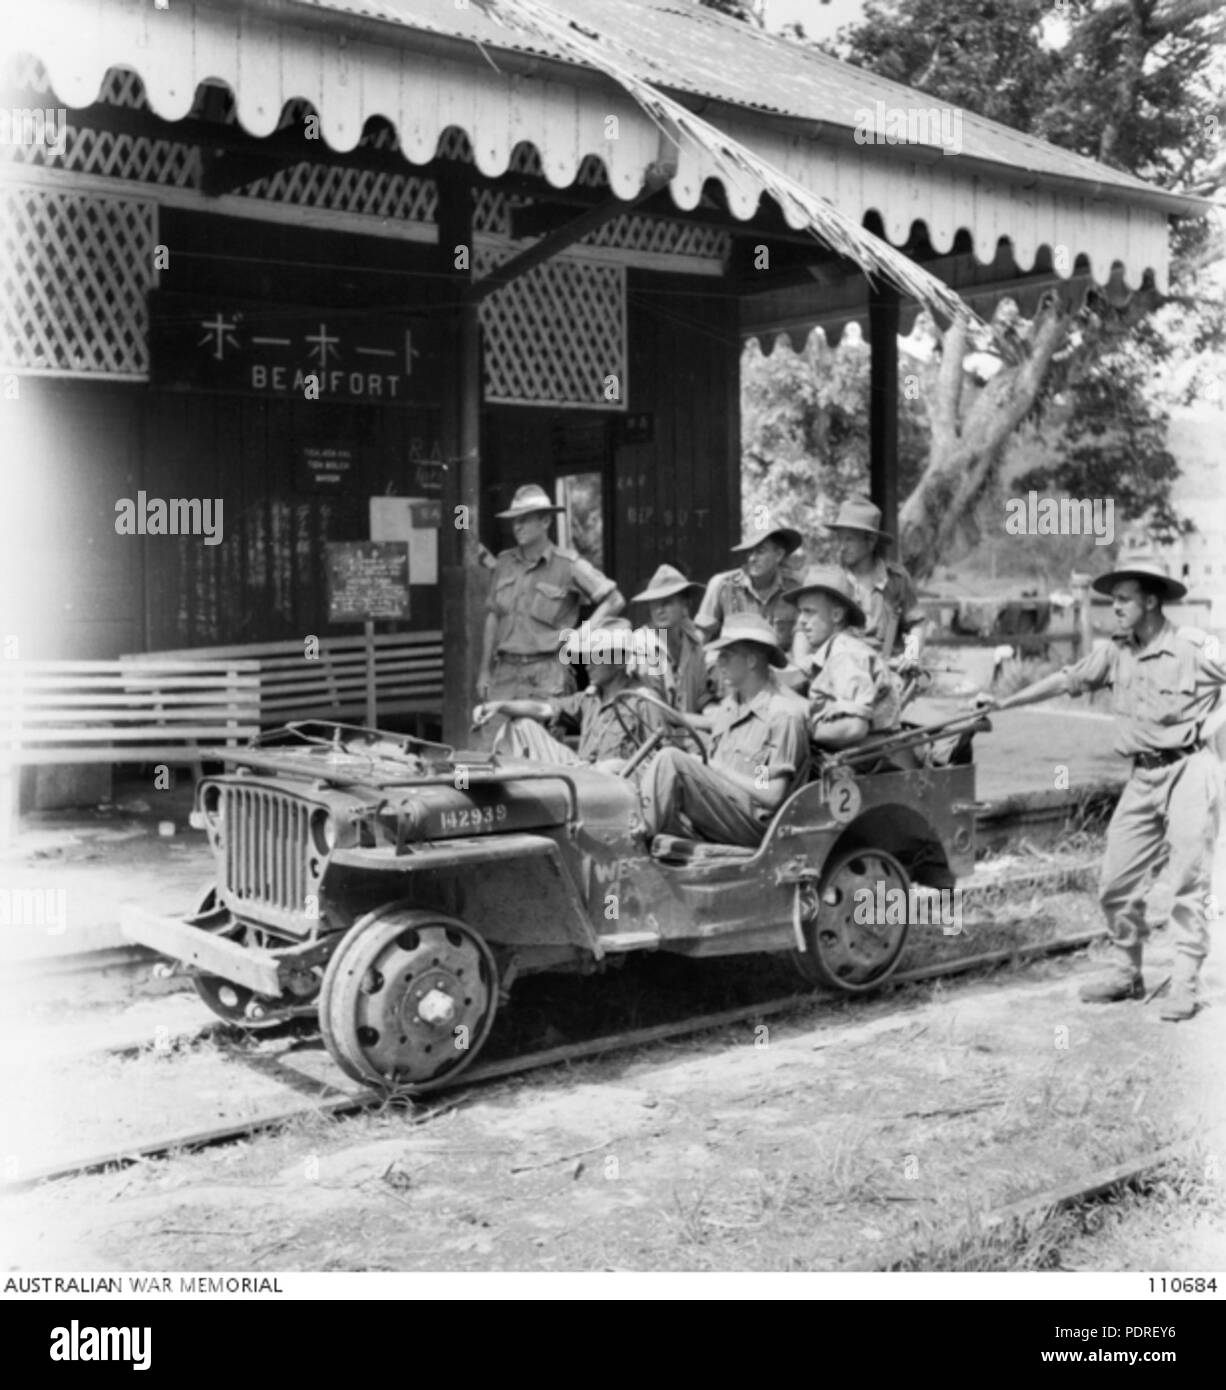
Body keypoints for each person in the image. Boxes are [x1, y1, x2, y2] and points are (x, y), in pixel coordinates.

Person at [974, 558, 1225, 1022]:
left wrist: (1216, 726)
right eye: (1112, 601)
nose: (1116, 609)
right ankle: (1128, 971)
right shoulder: (1116, 652)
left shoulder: (1192, 648)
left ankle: (1185, 982)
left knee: (1188, 881)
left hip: (1189, 772)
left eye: (1125, 600)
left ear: (1151, 601)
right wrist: (1005, 701)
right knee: (1115, 882)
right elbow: (1066, 679)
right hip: (1142, 777)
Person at [640, 614, 809, 848]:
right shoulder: (732, 706)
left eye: (726, 656)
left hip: (751, 822)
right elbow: (700, 722)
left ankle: (636, 839)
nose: (718, 663)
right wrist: (659, 710)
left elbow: (769, 794)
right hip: (722, 808)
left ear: (751, 661)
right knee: (636, 768)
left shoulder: (780, 717)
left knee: (671, 759)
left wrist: (714, 768)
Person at [477, 484, 624, 707]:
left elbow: (614, 599)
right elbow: (493, 617)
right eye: (515, 520)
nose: (518, 526)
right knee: (494, 739)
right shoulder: (504, 563)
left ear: (545, 521)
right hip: (505, 672)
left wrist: (582, 634)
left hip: (547, 674)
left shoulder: (568, 565)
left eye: (525, 519)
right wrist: (484, 671)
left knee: (542, 740)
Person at [472, 618, 663, 772]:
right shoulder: (589, 699)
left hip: (615, 789)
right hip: (581, 775)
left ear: (621, 660)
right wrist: (498, 706)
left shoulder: (643, 700)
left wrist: (616, 767)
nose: (588, 665)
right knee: (521, 726)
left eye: (597, 656)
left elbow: (657, 765)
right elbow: (543, 708)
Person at [784, 565, 899, 750]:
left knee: (767, 755)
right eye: (800, 611)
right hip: (850, 750)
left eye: (809, 612)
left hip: (863, 757)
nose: (800, 621)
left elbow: (854, 728)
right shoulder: (831, 651)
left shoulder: (844, 654)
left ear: (837, 615)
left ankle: (760, 780)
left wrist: (802, 729)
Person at [807, 496, 926, 664]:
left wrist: (911, 655)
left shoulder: (896, 580)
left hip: (886, 669)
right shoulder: (831, 580)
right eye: (839, 539)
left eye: (849, 539)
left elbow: (916, 624)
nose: (842, 546)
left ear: (871, 542)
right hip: (841, 668)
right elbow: (807, 625)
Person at [695, 522, 803, 653]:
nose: (752, 558)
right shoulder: (723, 585)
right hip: (734, 666)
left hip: (779, 668)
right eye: (749, 552)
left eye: (760, 552)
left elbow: (802, 640)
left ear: (779, 555)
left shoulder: (795, 590)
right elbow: (701, 636)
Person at [629, 563, 715, 715]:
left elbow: (702, 697)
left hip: (688, 732)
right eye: (654, 604)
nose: (660, 610)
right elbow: (655, 710)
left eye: (667, 602)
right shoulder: (641, 645)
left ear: (685, 605)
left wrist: (716, 715)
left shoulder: (694, 645)